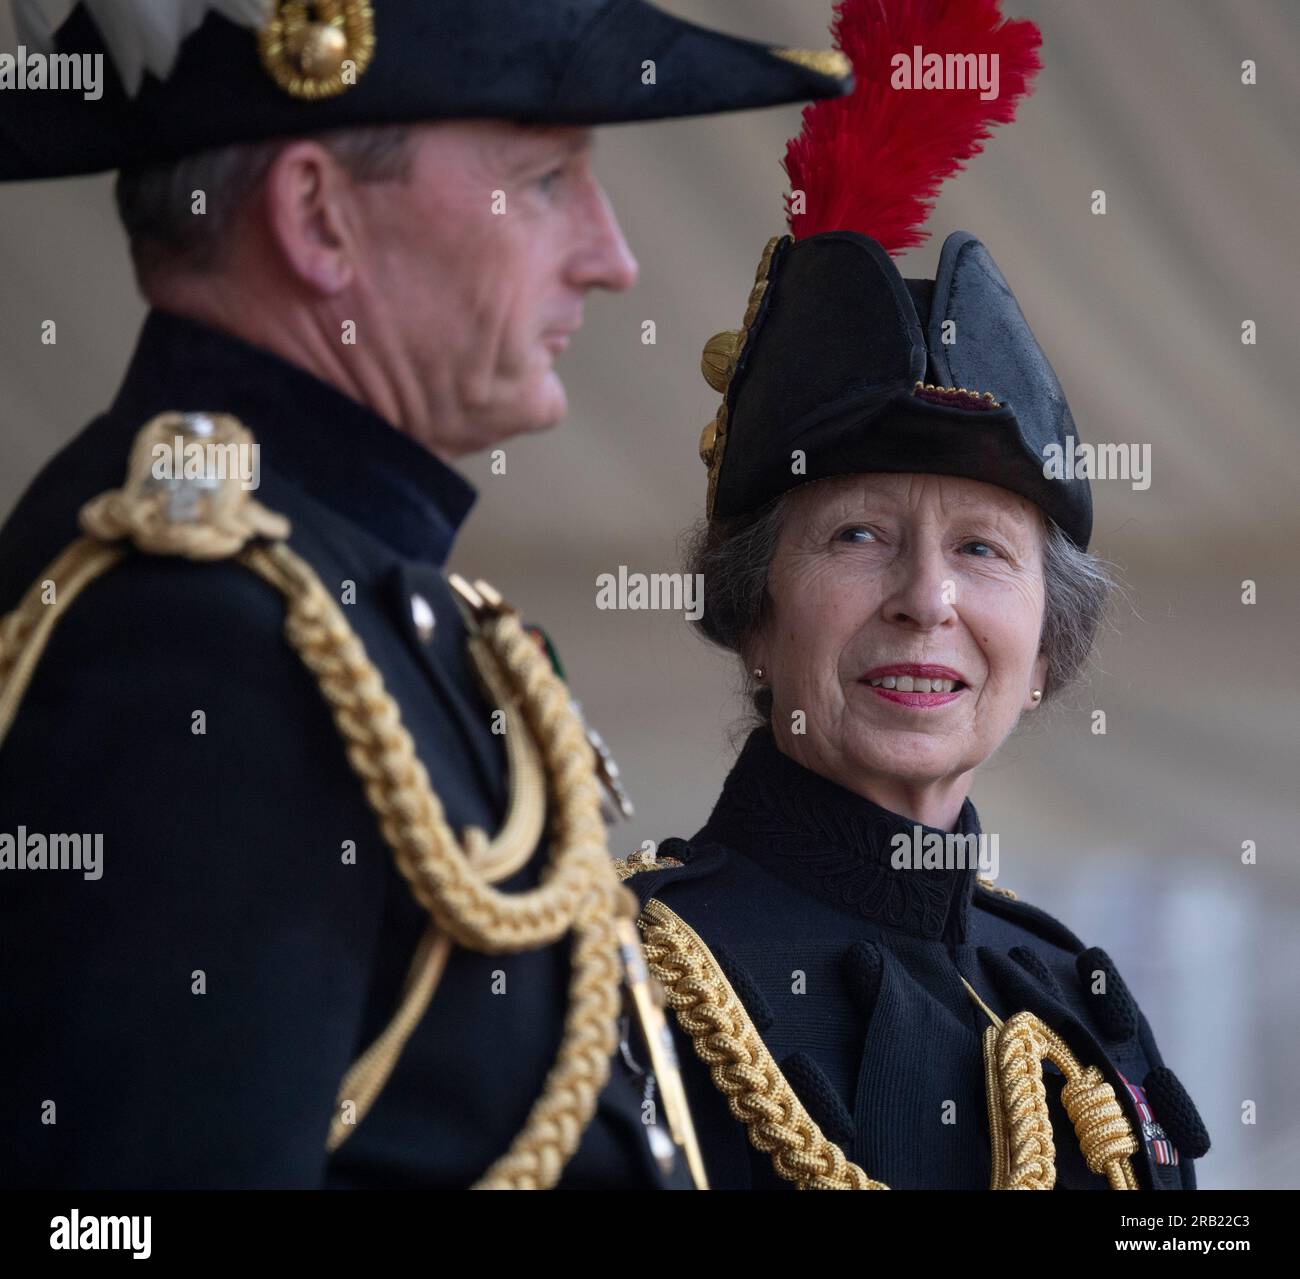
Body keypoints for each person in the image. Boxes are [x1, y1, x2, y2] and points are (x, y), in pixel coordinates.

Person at [0, 0, 851, 1189]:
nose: (612, 256)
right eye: (546, 178)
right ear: (316, 219)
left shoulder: (329, 584)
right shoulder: (197, 629)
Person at [618, 0, 1210, 1190]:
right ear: (753, 615)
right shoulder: (618, 991)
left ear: (1046, 648)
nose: (925, 598)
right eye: (857, 535)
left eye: (985, 551)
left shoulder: (1076, 998)